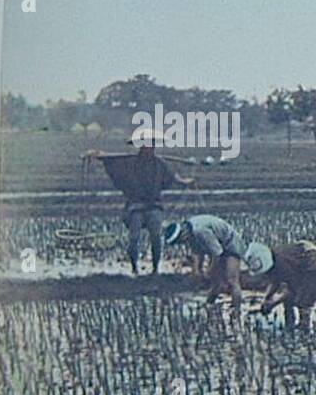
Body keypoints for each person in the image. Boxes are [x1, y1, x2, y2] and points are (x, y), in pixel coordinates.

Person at [81, 129, 196, 275]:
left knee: (156, 236)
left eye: (152, 145)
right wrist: (100, 156)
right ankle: (134, 267)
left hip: (154, 205)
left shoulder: (160, 163)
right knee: (134, 238)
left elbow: (173, 178)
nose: (149, 148)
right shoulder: (130, 162)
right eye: (146, 145)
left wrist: (186, 182)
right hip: (135, 205)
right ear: (141, 146)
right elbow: (114, 164)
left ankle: (155, 268)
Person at [164, 214, 248, 309]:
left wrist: (210, 269)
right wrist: (197, 270)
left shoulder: (200, 231)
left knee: (232, 280)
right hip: (219, 245)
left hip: (231, 243)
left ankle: (237, 310)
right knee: (216, 282)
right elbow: (197, 254)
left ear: (182, 234)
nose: (181, 244)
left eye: (179, 241)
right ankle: (209, 305)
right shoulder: (190, 234)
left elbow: (217, 254)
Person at [246, 240, 316, 327]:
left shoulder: (282, 264)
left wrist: (272, 303)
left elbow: (289, 289)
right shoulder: (273, 261)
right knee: (289, 301)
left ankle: (304, 325)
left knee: (304, 298)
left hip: (312, 265)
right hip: (303, 260)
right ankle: (290, 322)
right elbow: (275, 282)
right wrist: (267, 299)